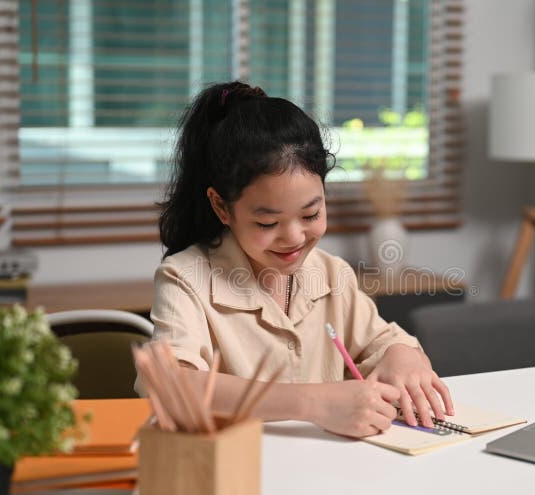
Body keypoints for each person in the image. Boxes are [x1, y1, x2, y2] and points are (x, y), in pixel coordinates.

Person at [151, 80, 453, 438]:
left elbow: (384, 341)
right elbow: (172, 386)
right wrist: (314, 403)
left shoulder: (331, 274)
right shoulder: (185, 278)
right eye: (267, 223)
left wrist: (403, 356)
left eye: (311, 214)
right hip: (241, 465)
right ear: (221, 207)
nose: (294, 237)